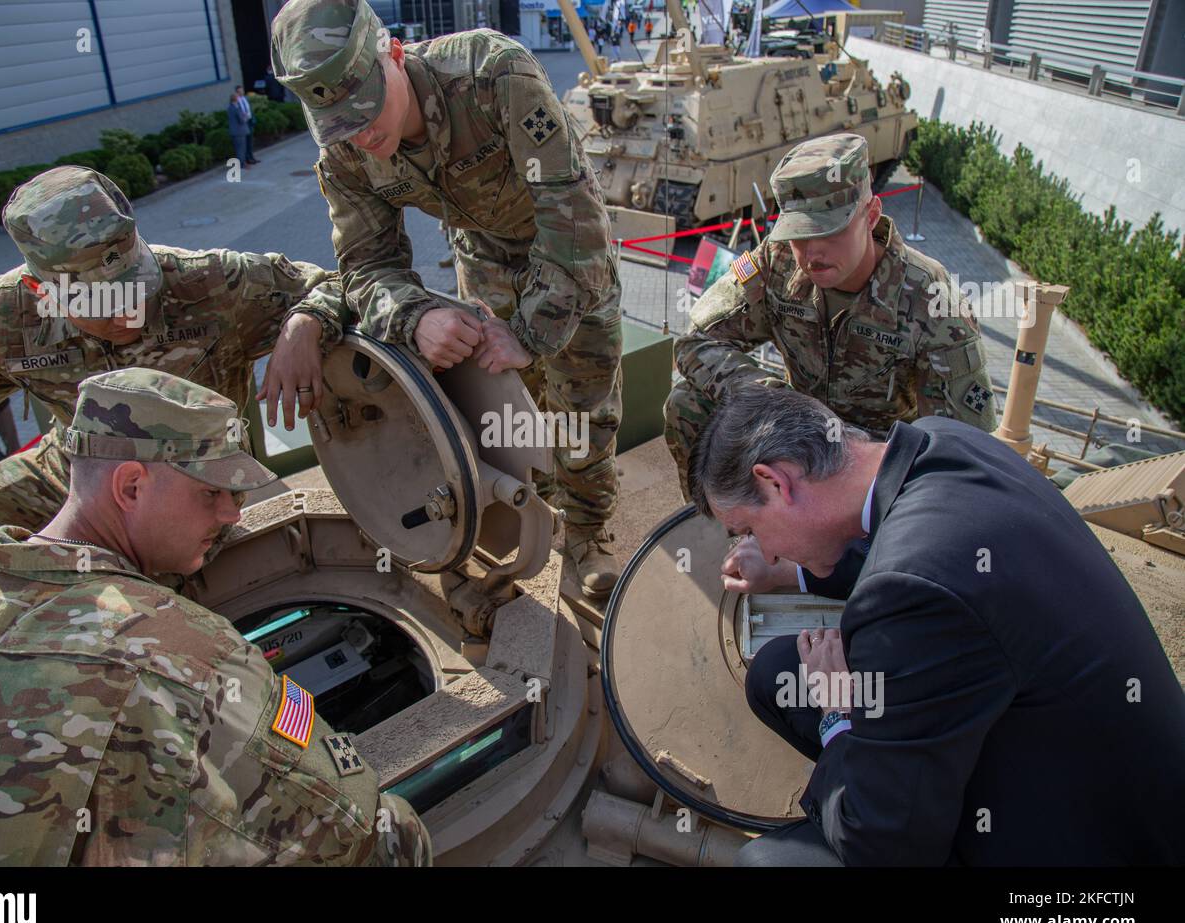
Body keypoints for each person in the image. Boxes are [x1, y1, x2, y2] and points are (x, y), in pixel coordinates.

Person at [0, 368, 431, 866]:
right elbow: (357, 835)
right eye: (211, 492)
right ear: (130, 486)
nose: (232, 513)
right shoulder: (188, 658)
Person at [688, 384, 1185, 866]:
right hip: (1114, 779)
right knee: (782, 672)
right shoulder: (942, 441)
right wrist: (791, 571)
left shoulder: (912, 591)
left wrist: (837, 714)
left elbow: (884, 850)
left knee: (771, 861)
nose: (764, 548)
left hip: (1084, 856)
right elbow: (930, 553)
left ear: (776, 481)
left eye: (750, 529)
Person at [272, 0, 625, 598]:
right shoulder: (345, 154)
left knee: (581, 407)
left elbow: (573, 213)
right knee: (504, 407)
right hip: (484, 262)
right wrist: (417, 315)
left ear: (395, 54)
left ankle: (587, 534)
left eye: (365, 107)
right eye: (339, 123)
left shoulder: (493, 75)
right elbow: (367, 263)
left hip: (567, 255)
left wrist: (531, 334)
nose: (362, 133)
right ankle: (525, 514)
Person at [0, 165, 351, 569]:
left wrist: (305, 323)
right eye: (100, 303)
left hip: (194, 488)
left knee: (154, 616)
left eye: (136, 288)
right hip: (68, 479)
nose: (128, 312)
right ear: (40, 288)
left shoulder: (209, 282)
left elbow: (345, 285)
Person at [666, 133, 995, 497]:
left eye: (830, 231)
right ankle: (733, 526)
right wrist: (772, 397)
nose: (812, 252)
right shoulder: (776, 261)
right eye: (799, 234)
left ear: (871, 216)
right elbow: (695, 341)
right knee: (688, 403)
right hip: (792, 431)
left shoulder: (931, 299)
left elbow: (963, 443)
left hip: (878, 459)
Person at [228, 86, 260, 167]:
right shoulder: (235, 104)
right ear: (237, 93)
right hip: (241, 124)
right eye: (239, 92)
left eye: (242, 90)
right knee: (243, 144)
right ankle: (245, 160)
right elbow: (238, 115)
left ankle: (251, 157)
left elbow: (249, 109)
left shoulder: (246, 99)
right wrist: (244, 117)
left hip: (249, 122)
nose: (241, 92)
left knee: (250, 141)